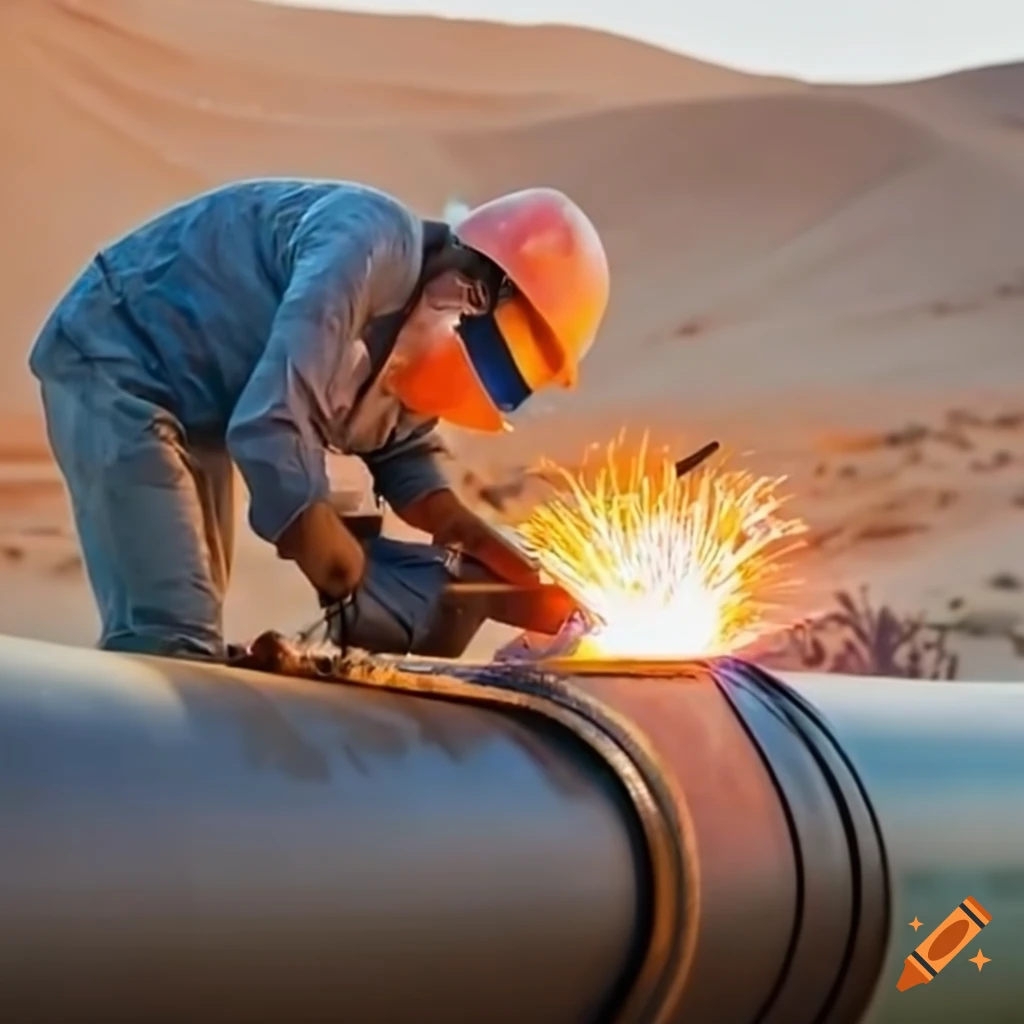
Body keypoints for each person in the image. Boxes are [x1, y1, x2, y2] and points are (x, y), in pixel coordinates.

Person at [28, 179, 610, 660]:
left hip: (198, 409)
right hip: (116, 354)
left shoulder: (412, 331)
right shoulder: (364, 244)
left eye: (510, 379)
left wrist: (498, 555)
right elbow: (270, 426)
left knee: (194, 628)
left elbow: (403, 452)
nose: (491, 377)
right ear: (474, 289)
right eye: (500, 358)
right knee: (172, 627)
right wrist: (344, 573)